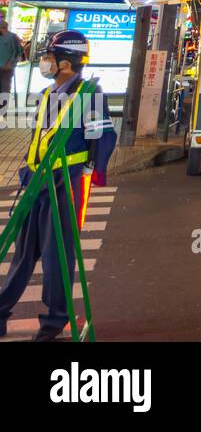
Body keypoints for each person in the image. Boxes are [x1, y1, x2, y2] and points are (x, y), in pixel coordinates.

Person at [0, 30, 115, 341]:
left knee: (57, 254)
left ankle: (54, 320)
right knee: (24, 251)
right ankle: (1, 311)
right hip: (37, 180)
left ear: (66, 61)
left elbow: (104, 136)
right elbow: (42, 136)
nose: (44, 62)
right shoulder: (50, 94)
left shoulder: (89, 95)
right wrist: (26, 166)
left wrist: (98, 169)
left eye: (49, 57)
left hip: (66, 181)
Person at [0, 20, 22, 99]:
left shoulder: (12, 37)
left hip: (7, 68)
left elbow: (18, 52)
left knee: (4, 89)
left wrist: (10, 63)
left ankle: (3, 110)